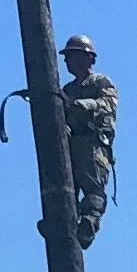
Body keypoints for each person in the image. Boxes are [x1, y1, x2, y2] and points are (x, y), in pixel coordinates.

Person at [54, 34, 120, 248]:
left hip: (93, 146)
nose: (67, 61)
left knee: (93, 193)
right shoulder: (68, 90)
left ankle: (87, 228)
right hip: (70, 146)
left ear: (87, 58)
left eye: (71, 56)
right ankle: (60, 225)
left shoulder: (101, 82)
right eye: (66, 57)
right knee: (65, 191)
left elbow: (107, 105)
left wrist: (78, 105)